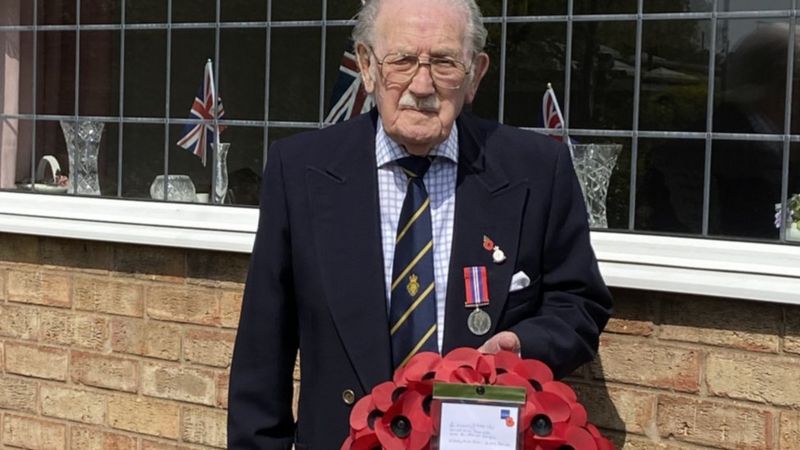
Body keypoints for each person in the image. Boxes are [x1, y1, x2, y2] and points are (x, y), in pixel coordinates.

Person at [228, 0, 612, 447]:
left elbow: (579, 303)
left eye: (445, 62)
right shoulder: (299, 170)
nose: (422, 85)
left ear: (475, 74)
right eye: (403, 60)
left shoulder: (537, 170)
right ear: (367, 67)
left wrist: (523, 346)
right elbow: (263, 351)